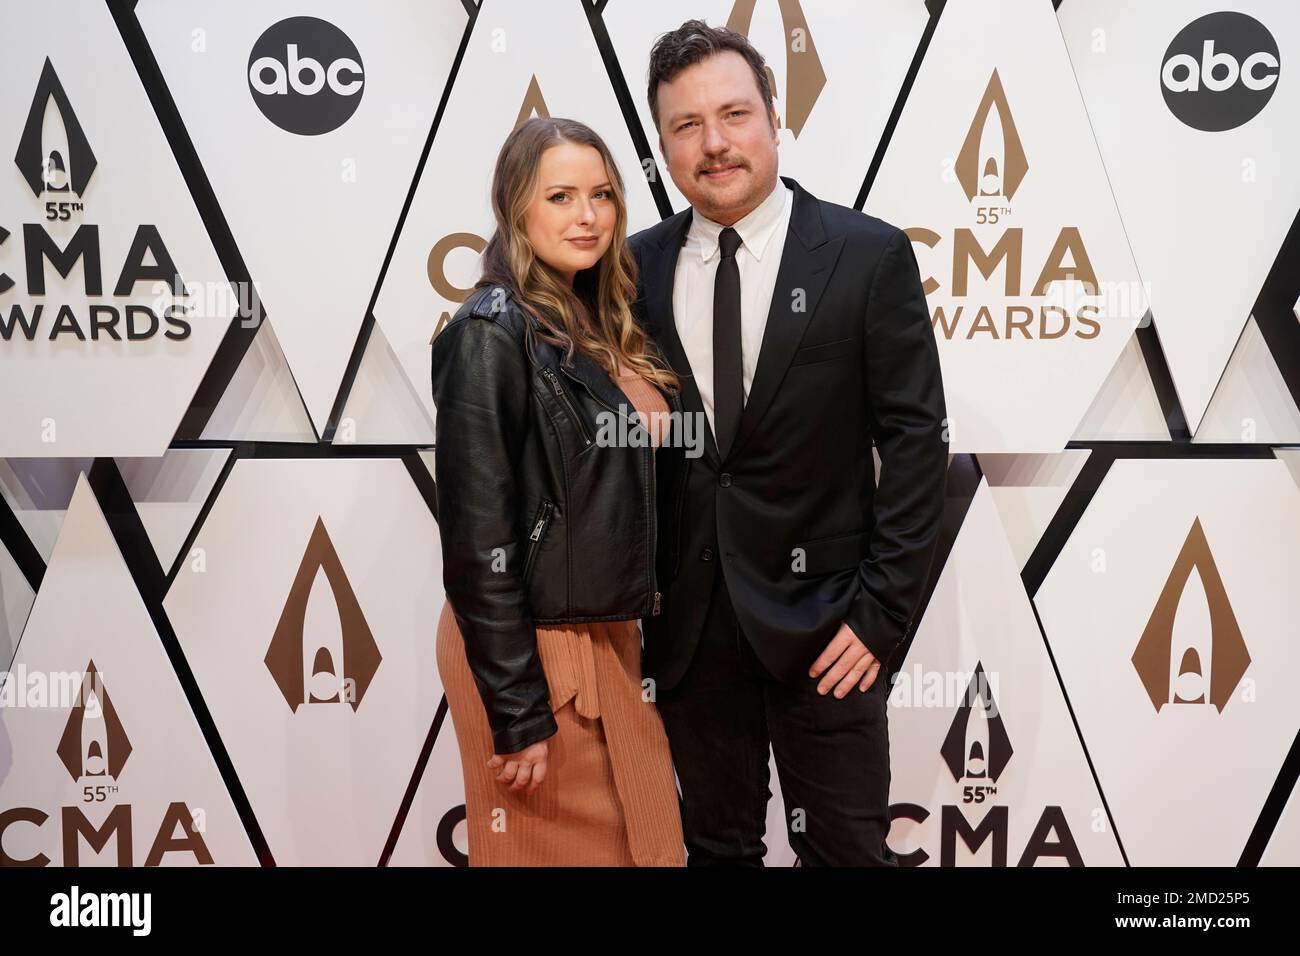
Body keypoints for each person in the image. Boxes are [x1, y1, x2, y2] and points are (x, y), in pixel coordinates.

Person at [629, 20, 948, 866]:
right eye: (686, 126)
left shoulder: (864, 254)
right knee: (717, 851)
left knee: (846, 852)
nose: (714, 143)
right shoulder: (632, 271)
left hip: (831, 630)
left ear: (775, 119)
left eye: (733, 114)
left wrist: (881, 617)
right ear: (661, 144)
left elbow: (918, 448)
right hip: (690, 637)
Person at [431, 117, 685, 866]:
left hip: (606, 637)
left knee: (646, 848)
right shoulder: (489, 331)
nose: (588, 216)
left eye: (602, 194)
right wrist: (516, 711)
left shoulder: (595, 318)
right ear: (516, 209)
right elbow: (478, 538)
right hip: (537, 649)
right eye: (561, 196)